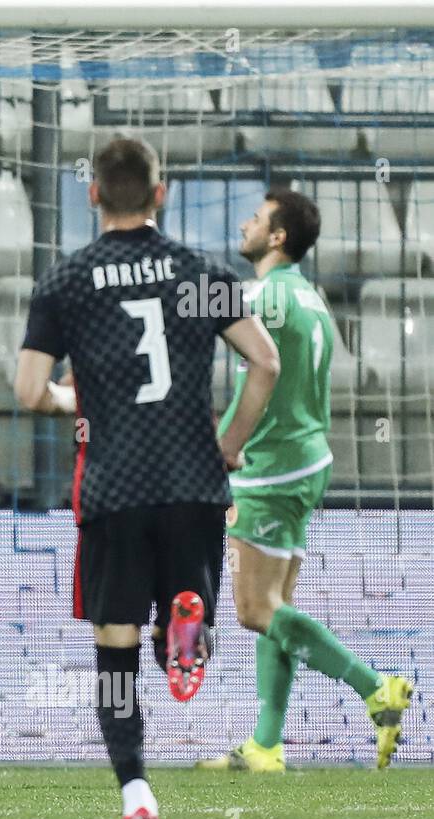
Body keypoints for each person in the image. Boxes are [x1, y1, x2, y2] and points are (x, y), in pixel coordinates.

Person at [15, 138, 281, 819]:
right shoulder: (202, 272)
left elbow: (27, 390)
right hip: (194, 478)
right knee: (184, 608)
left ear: (94, 194)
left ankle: (137, 797)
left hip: (115, 484)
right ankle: (188, 617)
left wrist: (83, 400)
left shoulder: (66, 282)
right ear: (159, 195)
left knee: (114, 647)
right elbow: (265, 362)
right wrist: (229, 444)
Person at [197, 188, 414, 773]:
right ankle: (266, 745)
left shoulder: (264, 295)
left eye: (257, 218)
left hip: (273, 466)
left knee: (252, 608)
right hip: (309, 457)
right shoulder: (309, 296)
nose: (243, 223)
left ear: (277, 237)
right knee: (277, 604)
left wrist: (227, 446)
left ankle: (376, 687)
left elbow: (258, 373)